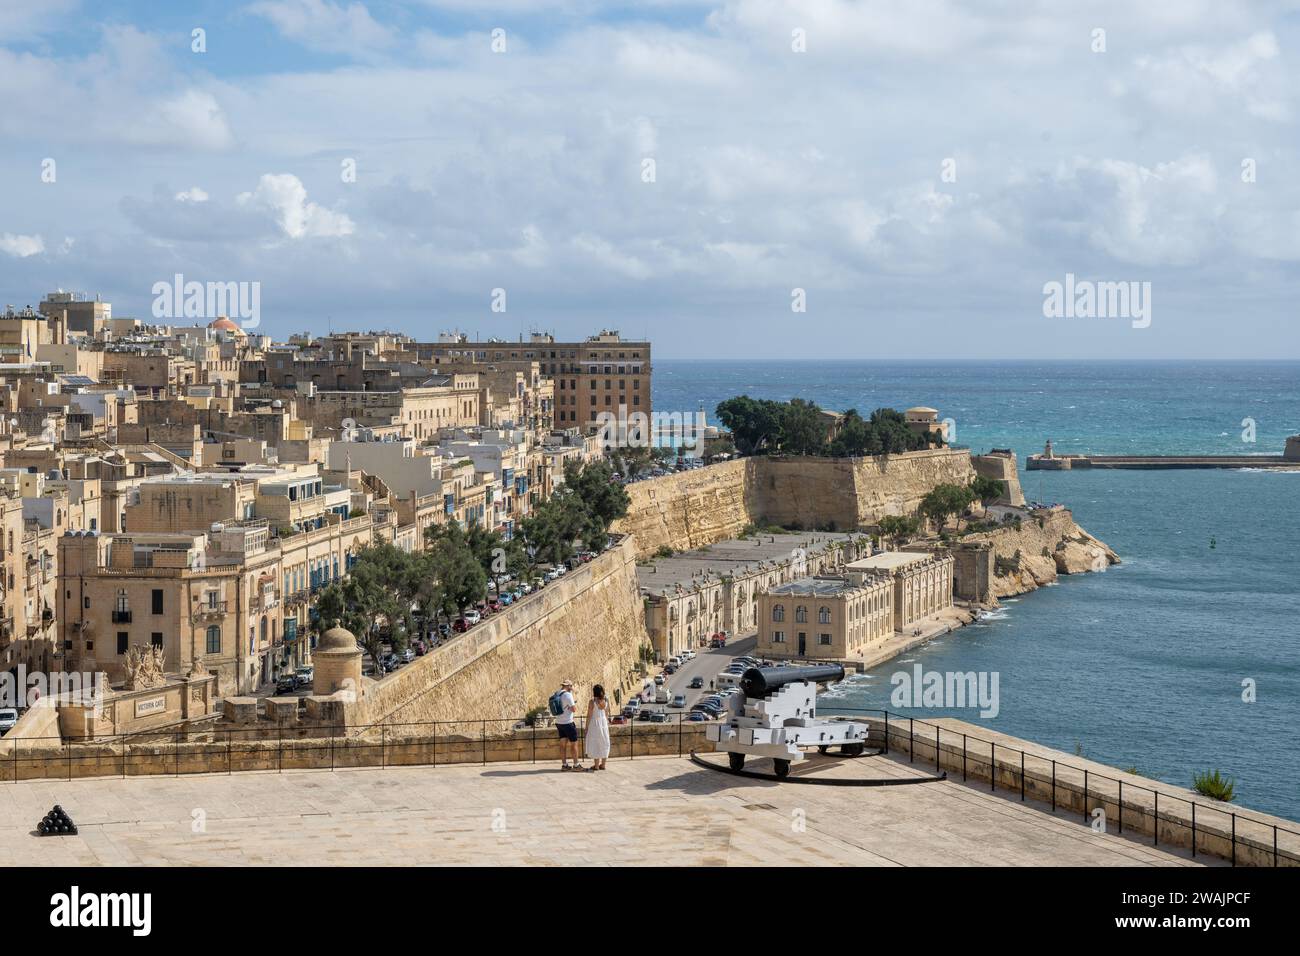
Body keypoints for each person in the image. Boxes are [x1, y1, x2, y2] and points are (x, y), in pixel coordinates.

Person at [554, 679, 582, 771]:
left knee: (562, 745)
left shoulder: (557, 693)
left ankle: (564, 765)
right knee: (574, 744)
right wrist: (571, 706)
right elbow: (574, 709)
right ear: (568, 686)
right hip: (568, 722)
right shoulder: (568, 695)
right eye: (571, 686)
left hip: (559, 722)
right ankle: (576, 765)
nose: (571, 688)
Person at [585, 684, 611, 771]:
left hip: (595, 723)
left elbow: (589, 715)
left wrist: (586, 727)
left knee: (595, 742)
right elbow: (607, 713)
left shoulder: (592, 702)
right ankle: (603, 765)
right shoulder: (606, 700)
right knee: (604, 742)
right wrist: (605, 722)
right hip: (604, 723)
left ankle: (596, 766)